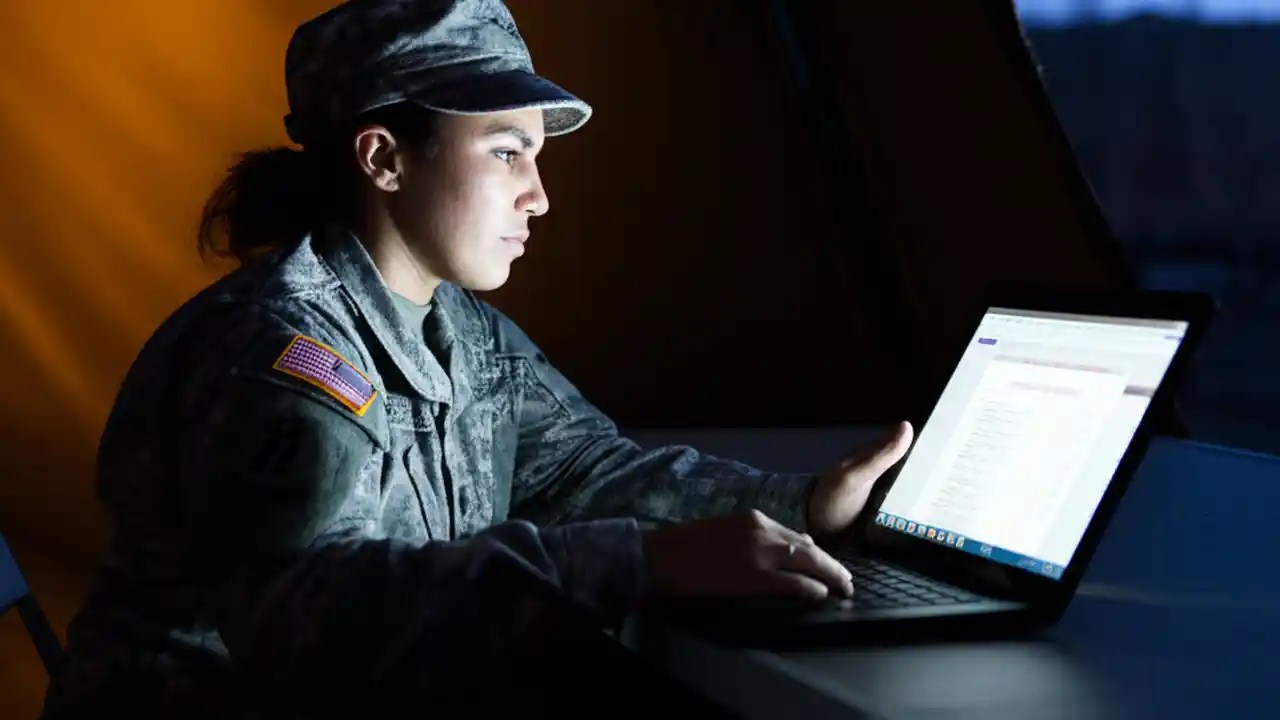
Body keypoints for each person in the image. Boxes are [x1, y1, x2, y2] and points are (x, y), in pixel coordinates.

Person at [42, 0, 913, 716]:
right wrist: (644, 563)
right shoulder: (284, 350)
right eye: (508, 153)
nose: (538, 197)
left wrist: (802, 504)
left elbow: (585, 468)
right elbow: (305, 616)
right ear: (384, 158)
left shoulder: (458, 329)